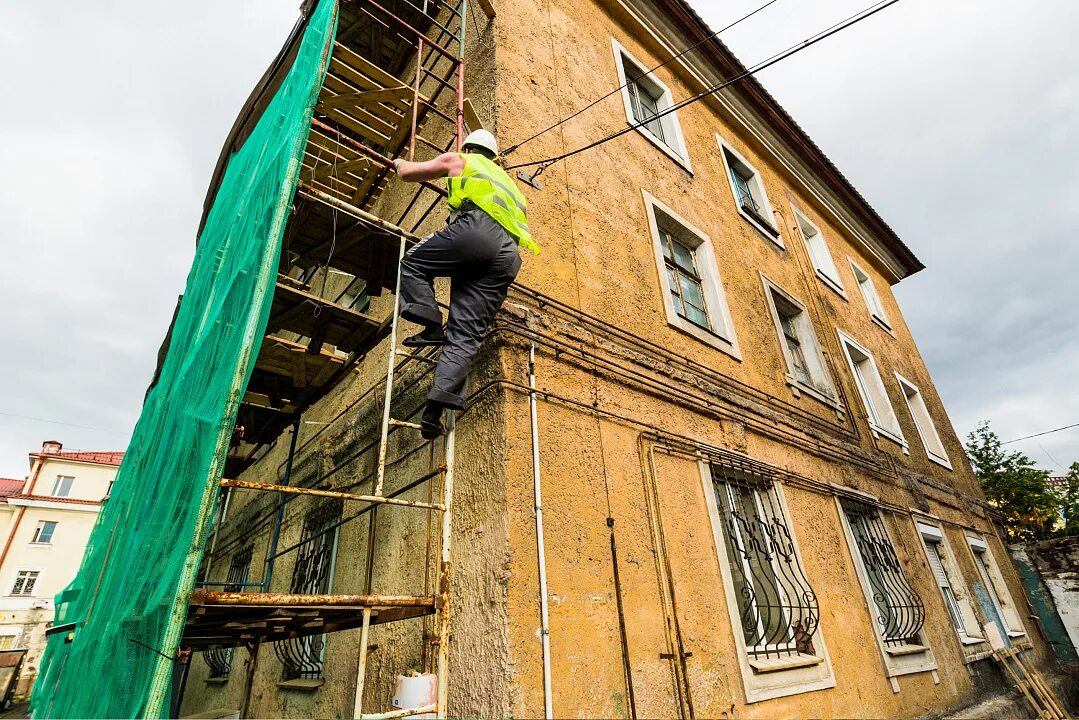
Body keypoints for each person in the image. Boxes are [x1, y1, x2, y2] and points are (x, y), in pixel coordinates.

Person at [391, 129, 539, 438]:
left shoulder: (461, 159)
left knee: (413, 263)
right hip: (507, 256)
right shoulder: (510, 184)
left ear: (469, 147)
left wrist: (397, 162)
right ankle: (435, 410)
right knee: (465, 335)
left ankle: (431, 324)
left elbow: (409, 173)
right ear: (494, 157)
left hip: (476, 232)